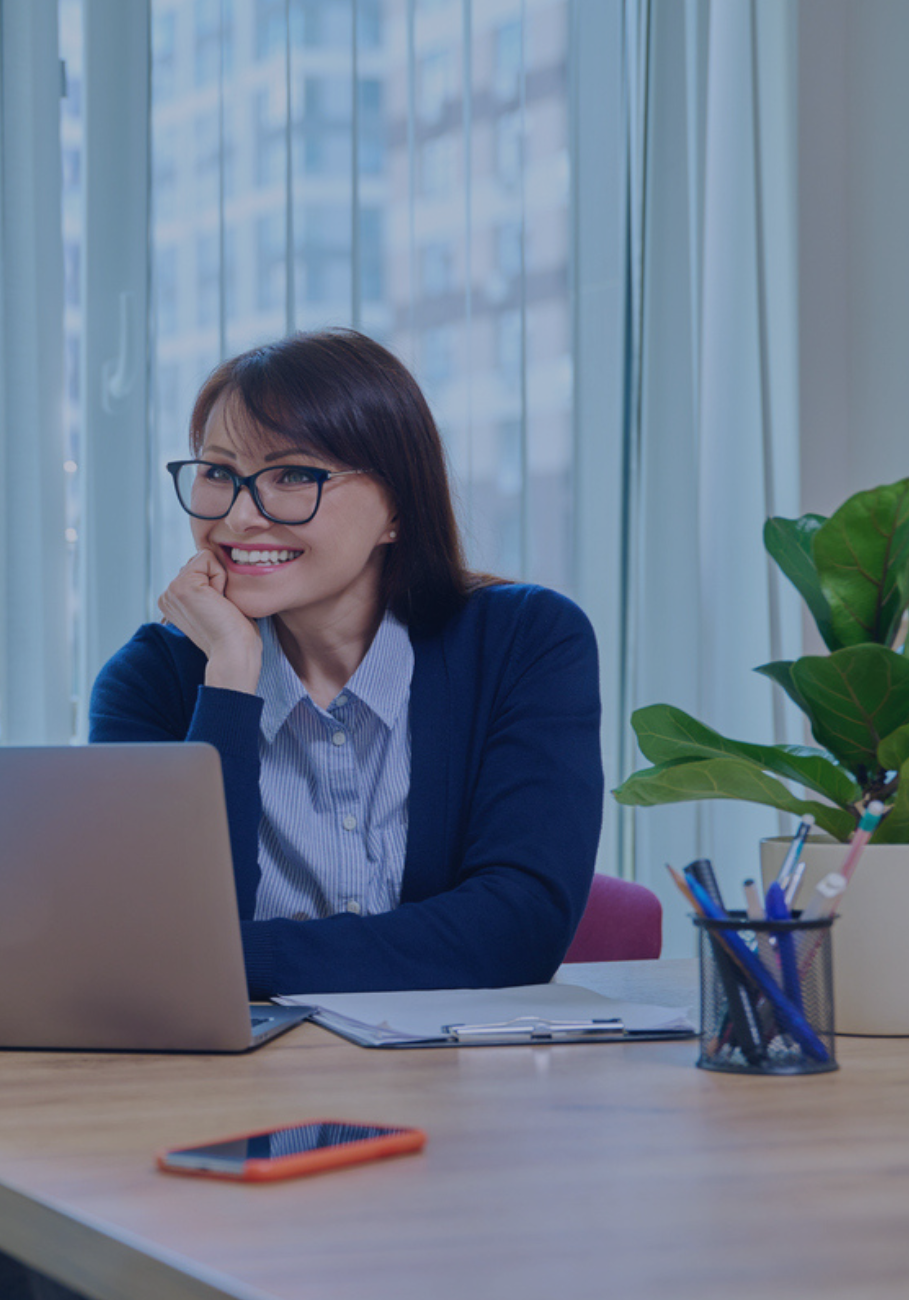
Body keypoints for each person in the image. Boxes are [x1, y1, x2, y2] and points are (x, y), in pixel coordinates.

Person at [90, 329, 603, 998]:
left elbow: (519, 929)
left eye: (294, 475)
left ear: (396, 508)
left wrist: (232, 962)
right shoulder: (151, 681)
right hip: (235, 1091)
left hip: (461, 1089)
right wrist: (231, 681)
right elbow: (160, 943)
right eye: (219, 472)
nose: (241, 516)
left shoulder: (527, 643)